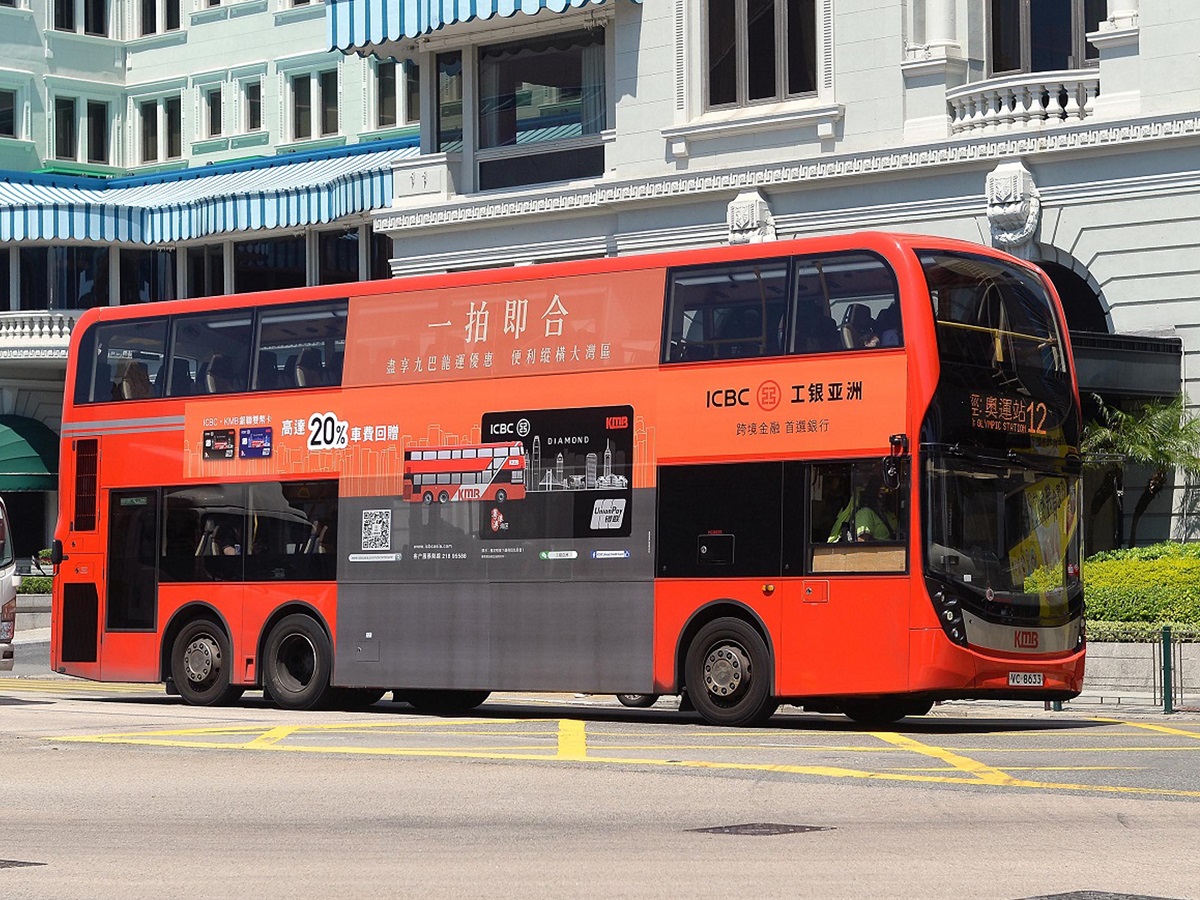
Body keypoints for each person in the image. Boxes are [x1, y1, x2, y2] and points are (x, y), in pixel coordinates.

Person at [828, 477, 897, 542]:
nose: (886, 492)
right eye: (883, 489)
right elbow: (862, 543)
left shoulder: (889, 514)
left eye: (888, 490)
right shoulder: (865, 513)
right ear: (873, 492)